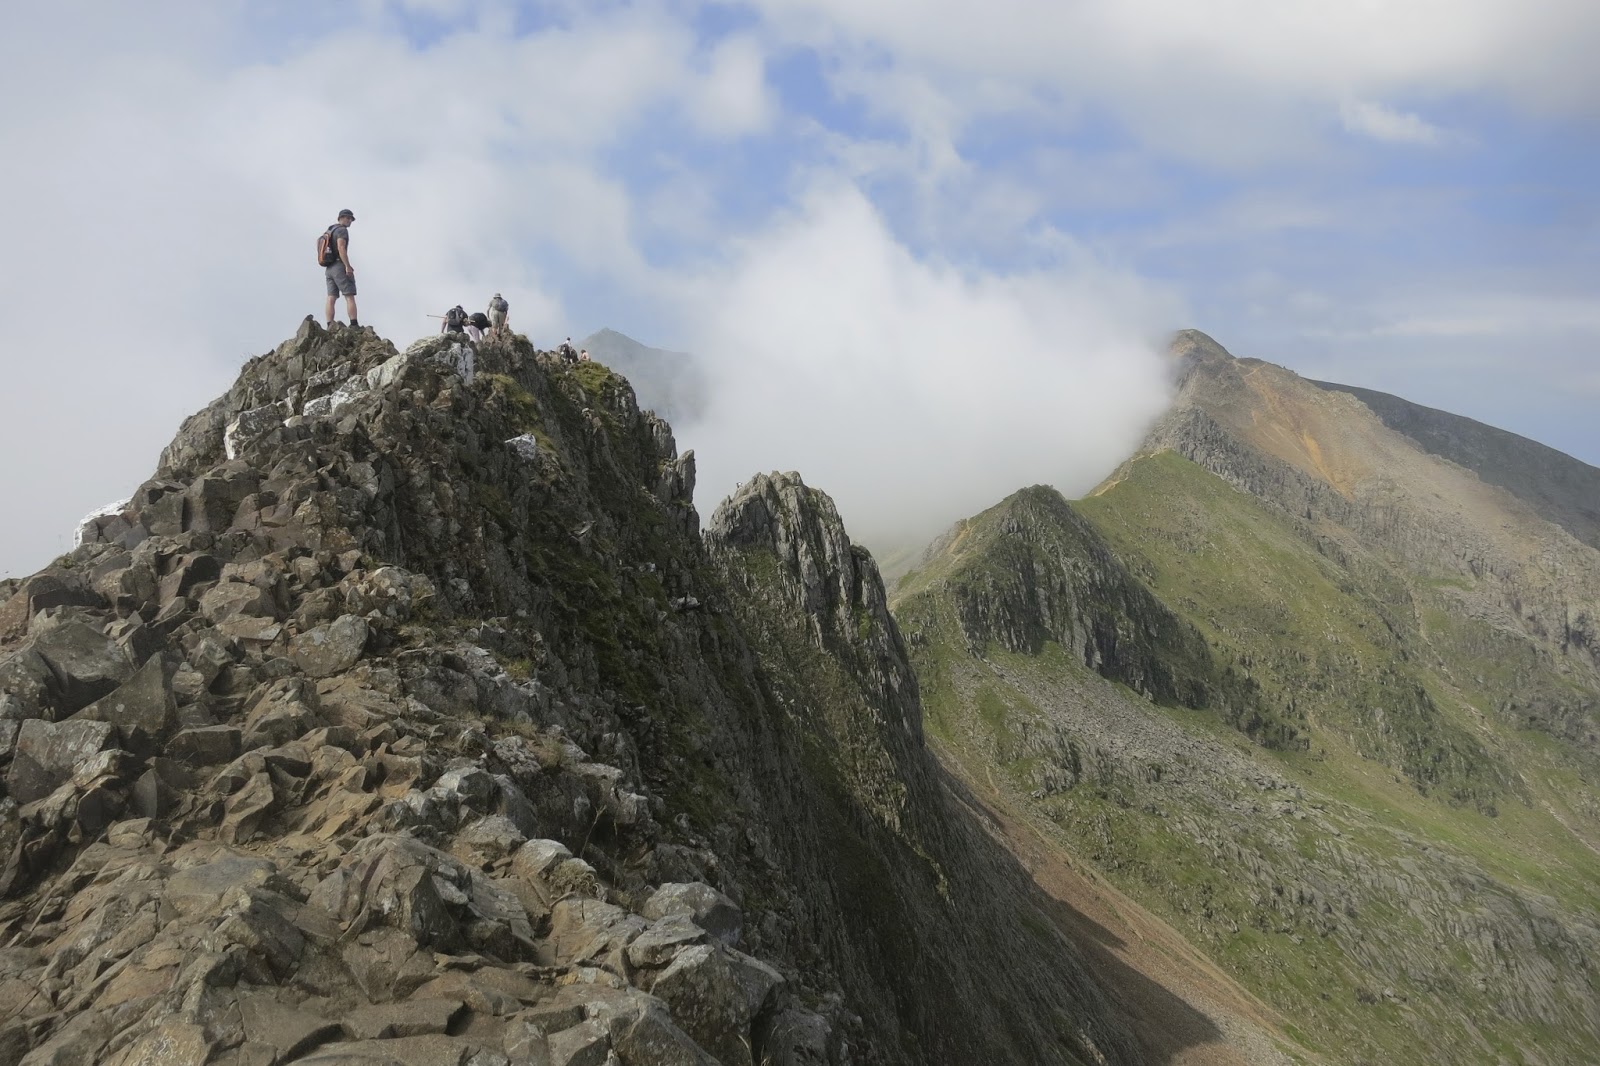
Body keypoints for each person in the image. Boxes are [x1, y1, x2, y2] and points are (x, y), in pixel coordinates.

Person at [321, 209, 359, 329]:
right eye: (347, 218)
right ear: (341, 218)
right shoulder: (342, 230)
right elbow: (341, 248)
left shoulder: (330, 230)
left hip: (329, 268)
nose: (349, 221)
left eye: (351, 219)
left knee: (331, 297)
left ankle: (329, 325)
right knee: (349, 295)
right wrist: (347, 266)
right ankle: (354, 324)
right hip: (339, 265)